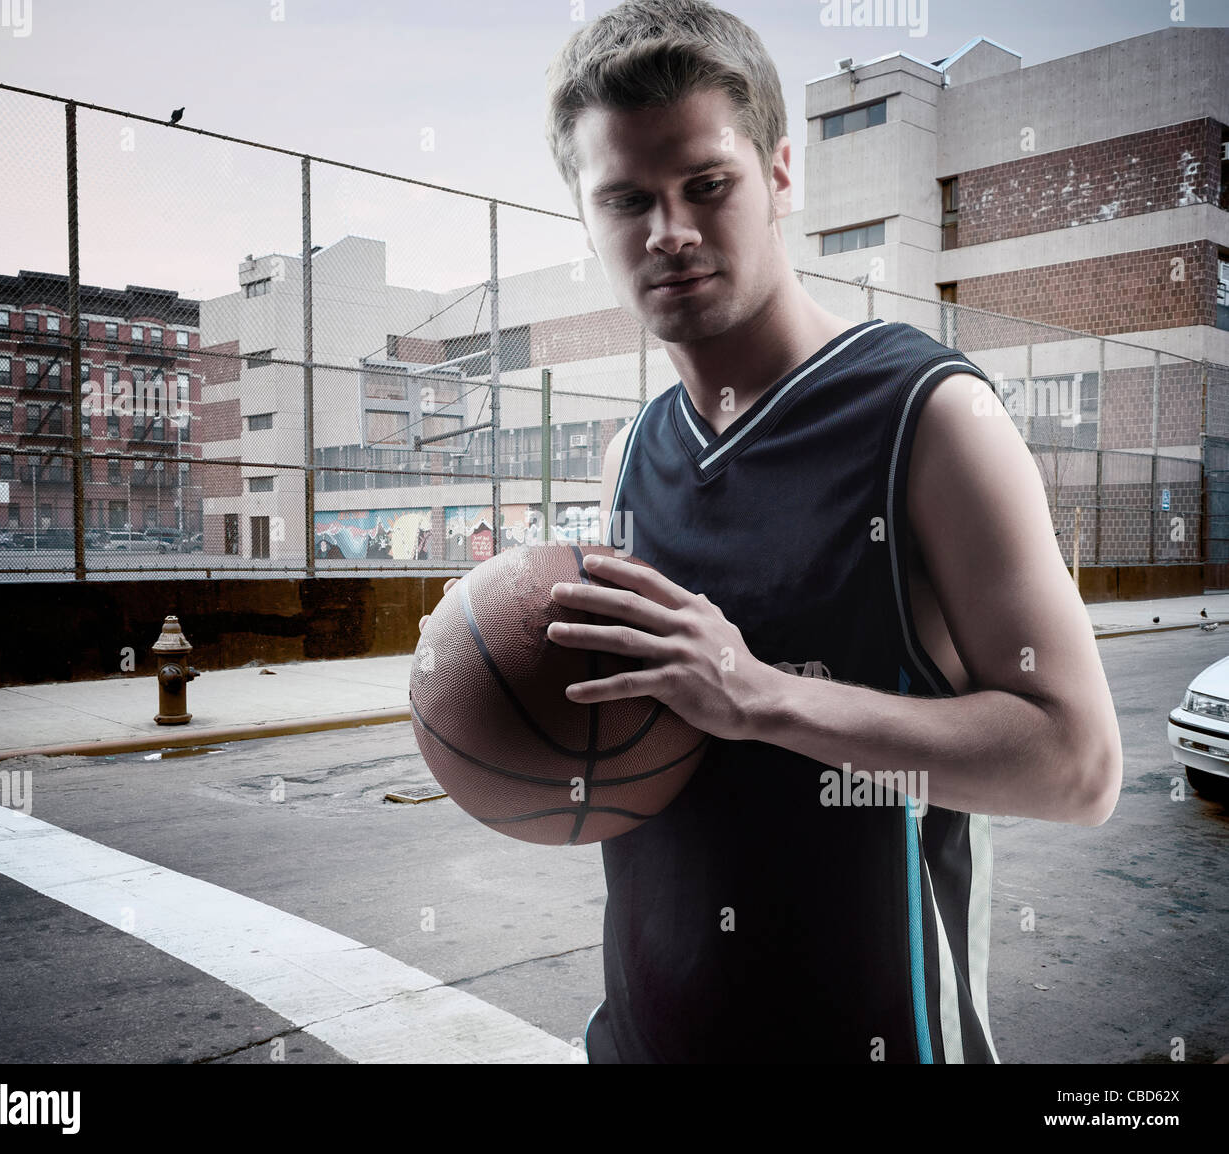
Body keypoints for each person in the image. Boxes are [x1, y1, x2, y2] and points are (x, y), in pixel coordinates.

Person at [423, 0, 1123, 1063]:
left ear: (780, 175)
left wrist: (761, 695)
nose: (668, 231)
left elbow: (1077, 765)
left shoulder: (928, 413)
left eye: (707, 185)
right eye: (625, 198)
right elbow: (640, 745)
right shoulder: (634, 448)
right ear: (585, 214)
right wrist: (501, 693)